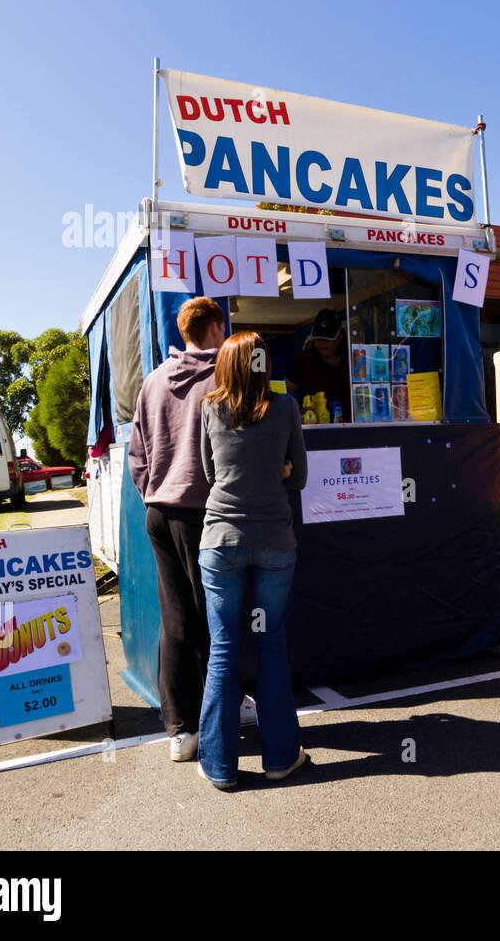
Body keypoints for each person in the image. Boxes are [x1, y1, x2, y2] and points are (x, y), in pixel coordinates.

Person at [197, 331, 309, 789]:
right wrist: (276, 467)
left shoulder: (209, 407)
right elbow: (298, 476)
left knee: (223, 651)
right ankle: (280, 758)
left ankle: (221, 767)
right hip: (274, 543)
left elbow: (209, 474)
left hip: (220, 541)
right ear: (264, 365)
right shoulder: (285, 407)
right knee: (271, 646)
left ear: (225, 366)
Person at [128, 296, 227, 763]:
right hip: (202, 512)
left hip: (159, 513)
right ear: (214, 330)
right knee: (213, 619)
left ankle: (180, 729)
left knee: (176, 619)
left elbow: (137, 454)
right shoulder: (225, 375)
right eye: (223, 330)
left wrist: (153, 489)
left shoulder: (152, 381)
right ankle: (216, 716)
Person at [285, 307, 351, 415]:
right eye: (318, 338)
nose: (322, 343)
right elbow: (285, 392)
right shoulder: (302, 361)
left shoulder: (353, 360)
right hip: (313, 427)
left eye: (327, 339)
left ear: (339, 337)